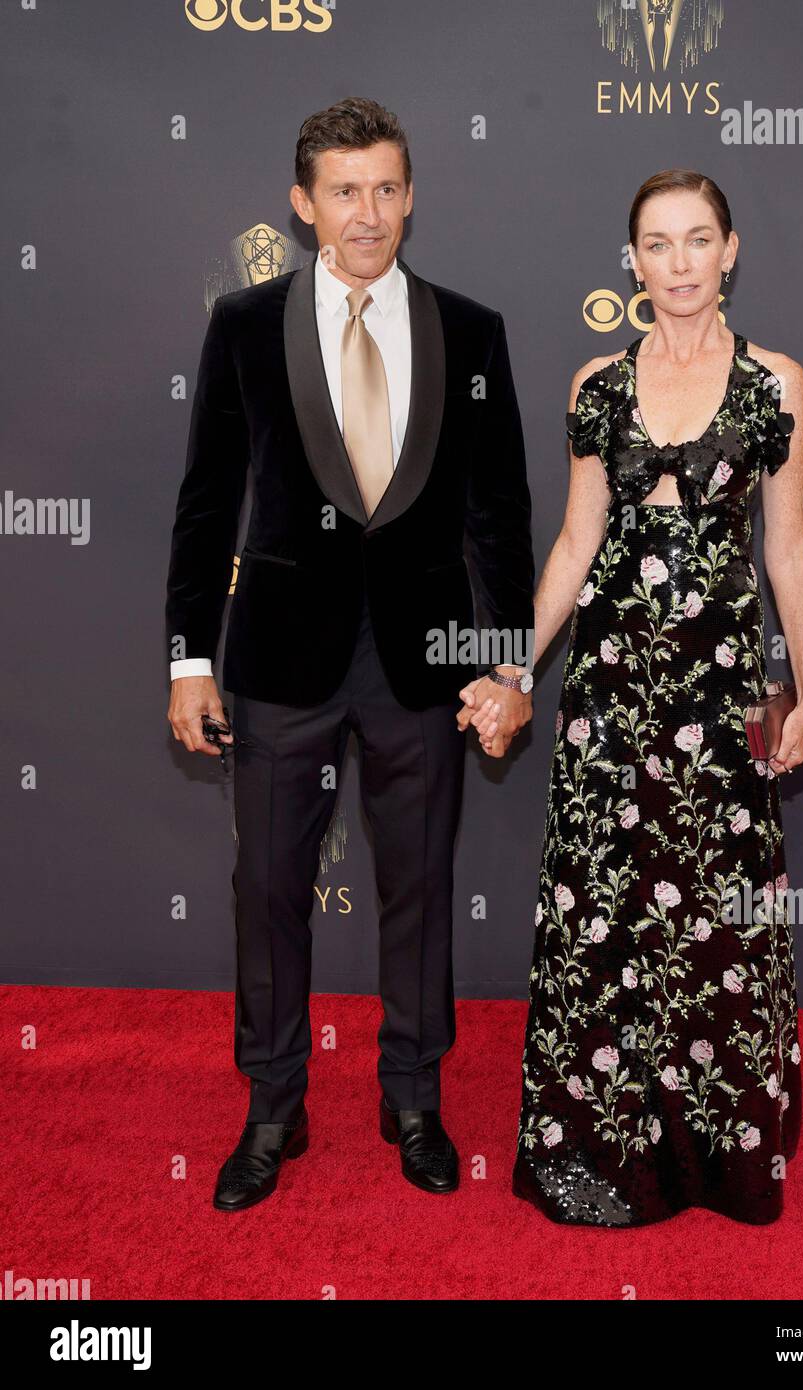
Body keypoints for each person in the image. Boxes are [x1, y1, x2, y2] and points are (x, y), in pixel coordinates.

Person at [164, 97, 535, 1212]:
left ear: (410, 195)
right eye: (342, 190)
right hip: (279, 659)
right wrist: (188, 657)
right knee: (267, 887)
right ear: (301, 203)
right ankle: (273, 1104)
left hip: (425, 664)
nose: (365, 212)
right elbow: (205, 503)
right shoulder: (241, 324)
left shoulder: (470, 331)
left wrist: (506, 666)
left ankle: (412, 1095)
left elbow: (499, 517)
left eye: (384, 188)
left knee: (419, 886)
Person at [466, 168, 803, 1225]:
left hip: (720, 697)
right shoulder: (596, 386)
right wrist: (512, 666)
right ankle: (604, 1148)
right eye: (656, 245)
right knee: (603, 918)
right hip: (610, 696)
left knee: (718, 917)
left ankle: (721, 1149)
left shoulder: (777, 383)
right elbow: (576, 543)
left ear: (730, 250)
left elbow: (788, 543)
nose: (677, 263)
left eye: (696, 240)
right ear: (632, 262)